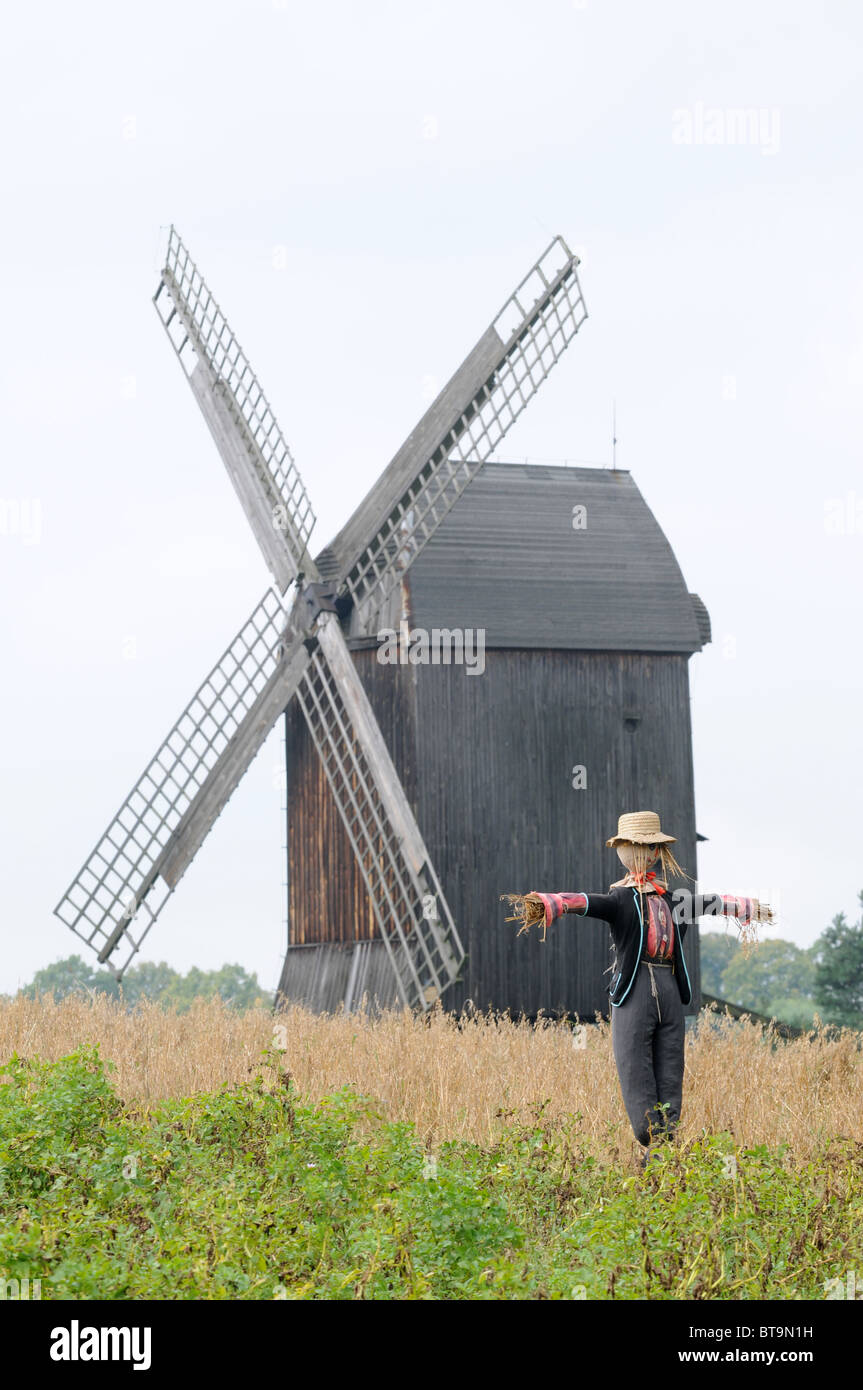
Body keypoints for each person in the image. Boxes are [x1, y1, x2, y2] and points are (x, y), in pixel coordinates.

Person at [504, 810, 772, 1166]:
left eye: (648, 847)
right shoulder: (625, 900)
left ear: (650, 852)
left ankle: (664, 1136)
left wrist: (746, 907)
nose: (645, 854)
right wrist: (551, 903)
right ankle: (654, 1136)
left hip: (658, 988)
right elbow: (585, 901)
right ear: (634, 851)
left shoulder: (673, 899)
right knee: (643, 1060)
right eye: (641, 847)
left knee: (658, 1059)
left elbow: (711, 903)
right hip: (643, 987)